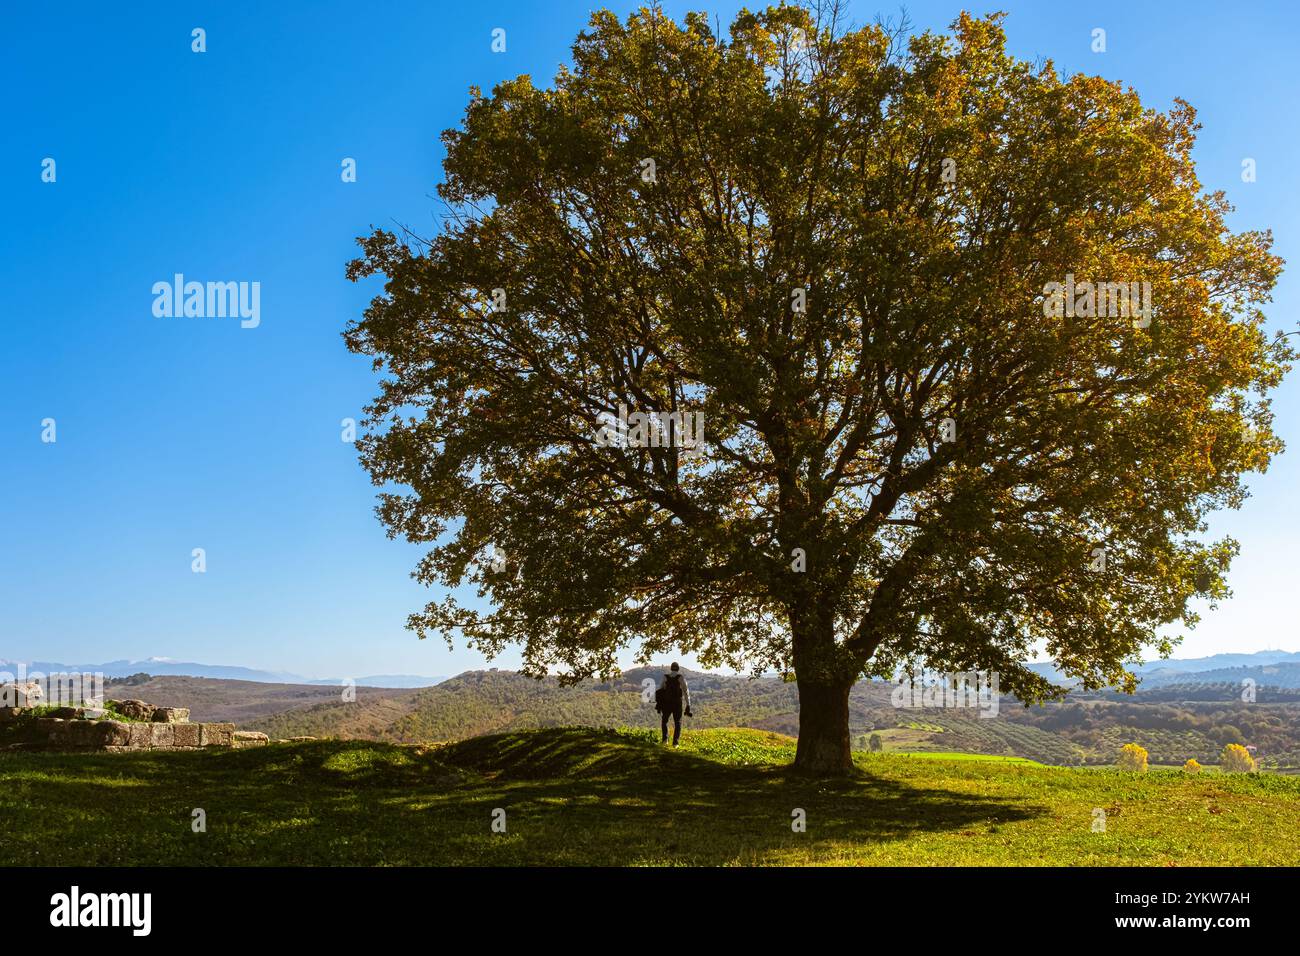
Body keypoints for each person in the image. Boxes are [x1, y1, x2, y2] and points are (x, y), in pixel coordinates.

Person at [657, 662, 692, 746]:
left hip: (667, 703)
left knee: (664, 721)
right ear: (678, 668)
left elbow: (660, 690)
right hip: (677, 703)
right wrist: (688, 704)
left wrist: (659, 704)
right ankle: (675, 743)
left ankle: (665, 740)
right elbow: (686, 692)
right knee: (678, 723)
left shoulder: (665, 677)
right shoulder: (681, 678)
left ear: (671, 668)